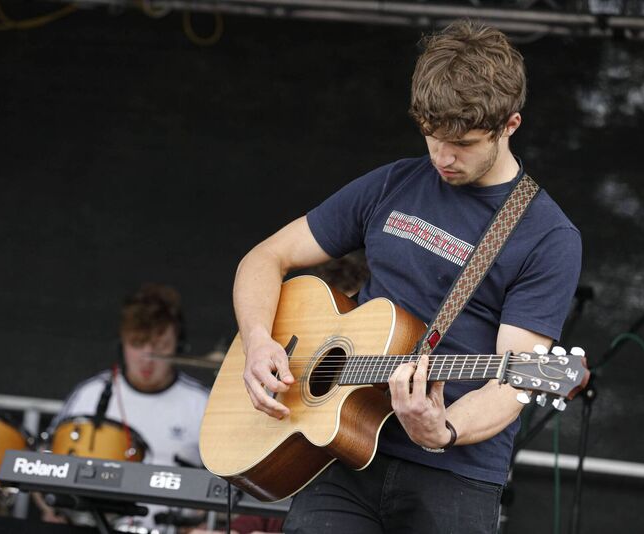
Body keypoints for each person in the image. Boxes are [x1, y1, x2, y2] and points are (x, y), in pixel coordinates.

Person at [232, 19, 582, 534]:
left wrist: (443, 429)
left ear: (510, 125)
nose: (442, 157)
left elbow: (513, 382)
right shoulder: (394, 182)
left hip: (455, 477)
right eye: (432, 137)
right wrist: (259, 341)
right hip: (340, 456)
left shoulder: (547, 235)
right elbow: (264, 258)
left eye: (462, 143)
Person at [45, 283, 210, 531]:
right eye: (137, 344)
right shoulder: (89, 394)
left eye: (160, 345)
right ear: (121, 343)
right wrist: (50, 509)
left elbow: (228, 487)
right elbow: (43, 460)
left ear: (179, 344)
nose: (147, 357)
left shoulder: (202, 403)